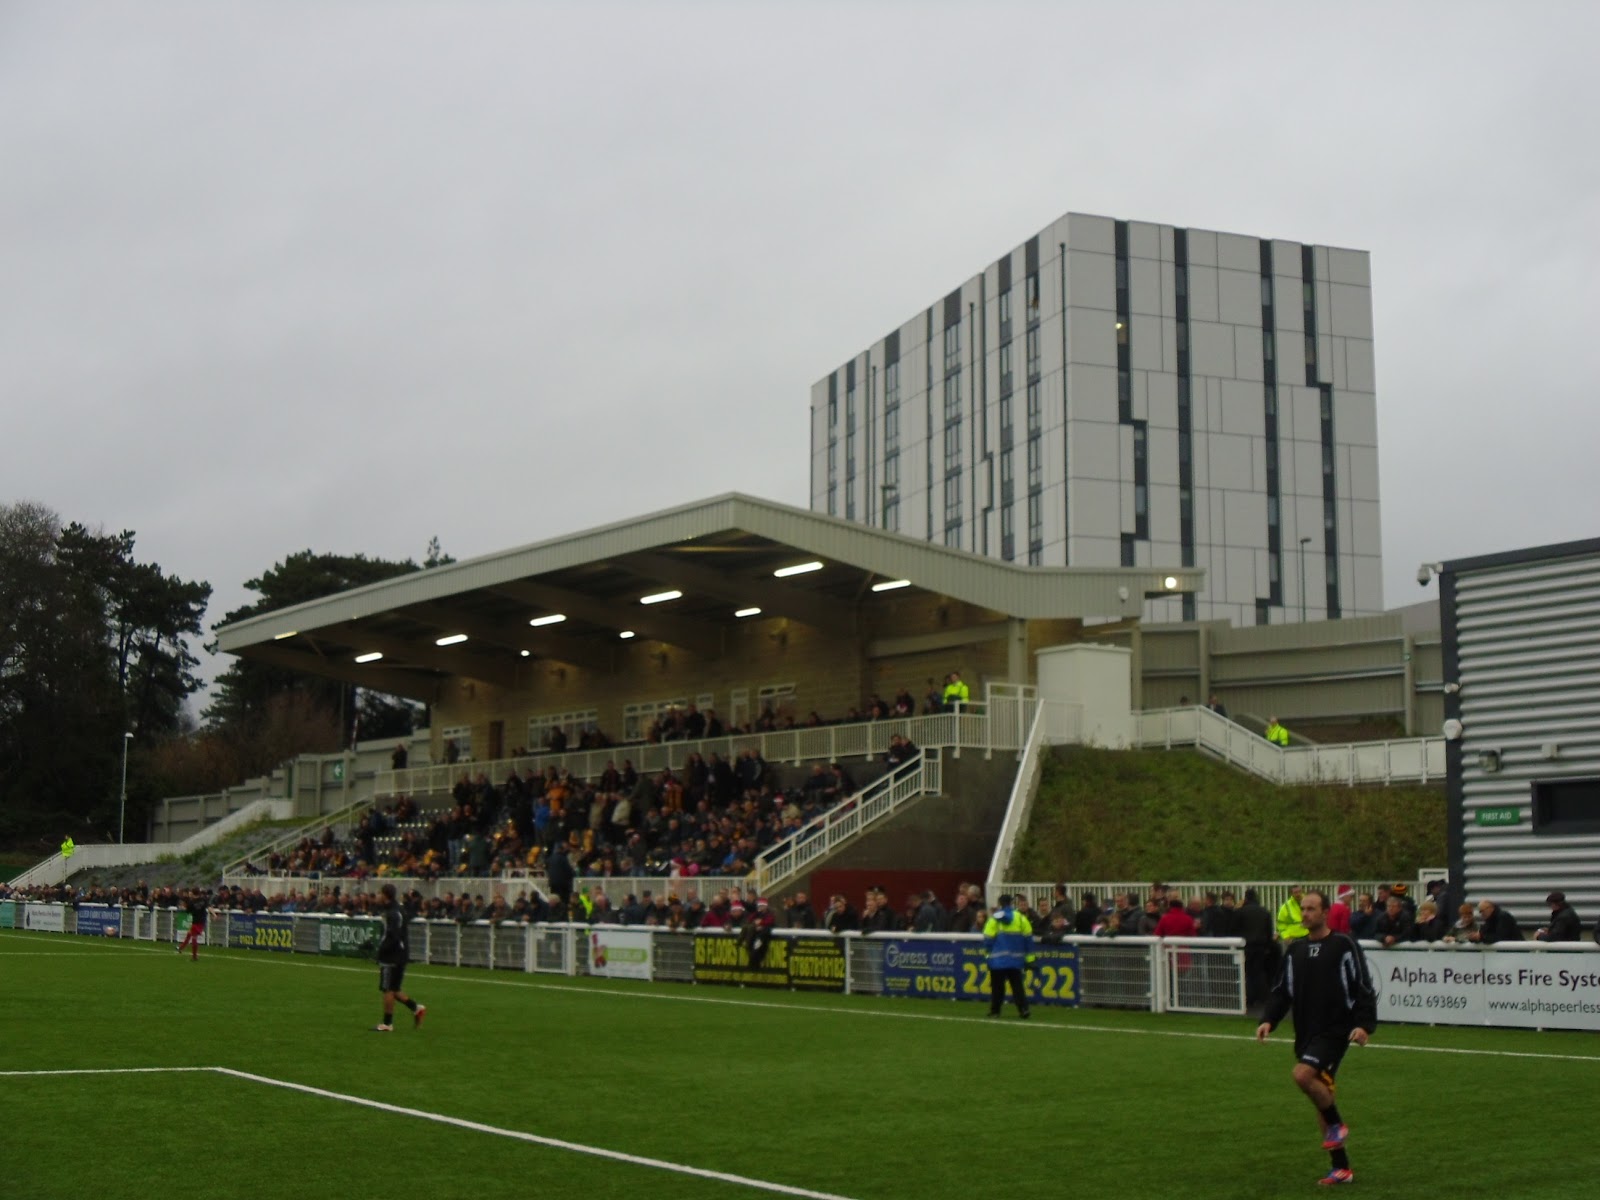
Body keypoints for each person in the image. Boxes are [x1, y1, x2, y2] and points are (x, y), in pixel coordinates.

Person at [1255, 889, 1377, 1188]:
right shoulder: (1295, 949)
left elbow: (1362, 985)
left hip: (1336, 1030)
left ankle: (1337, 1125)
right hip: (1306, 1031)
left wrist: (1364, 1025)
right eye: (1303, 909)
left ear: (1325, 913)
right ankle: (1341, 1168)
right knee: (1320, 1095)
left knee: (1302, 1075)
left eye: (1311, 909)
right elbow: (1283, 990)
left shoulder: (1343, 944)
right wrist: (1269, 1018)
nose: (1305, 914)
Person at [372, 882, 426, 1032]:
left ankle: (387, 1024)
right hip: (400, 955)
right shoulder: (396, 910)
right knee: (394, 988)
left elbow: (393, 936)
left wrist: (381, 951)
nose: (377, 896)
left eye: (379, 893)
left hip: (392, 956)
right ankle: (416, 1008)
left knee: (387, 989)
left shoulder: (393, 913)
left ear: (385, 895)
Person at [983, 895, 1031, 1019]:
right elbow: (1028, 939)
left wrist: (988, 956)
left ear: (1000, 904)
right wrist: (1029, 959)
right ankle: (1023, 1009)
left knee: (997, 988)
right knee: (1017, 987)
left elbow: (988, 939)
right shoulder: (1021, 918)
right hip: (1016, 960)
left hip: (998, 960)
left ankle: (995, 1011)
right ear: (1011, 903)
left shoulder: (994, 919)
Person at [176, 889, 208, 961]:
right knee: (189, 934)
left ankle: (194, 956)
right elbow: (208, 907)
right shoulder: (203, 900)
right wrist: (214, 914)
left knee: (194, 938)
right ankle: (181, 948)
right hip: (202, 921)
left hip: (196, 921)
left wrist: (183, 907)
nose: (190, 895)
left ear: (193, 894)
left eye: (190, 894)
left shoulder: (191, 902)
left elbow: (188, 911)